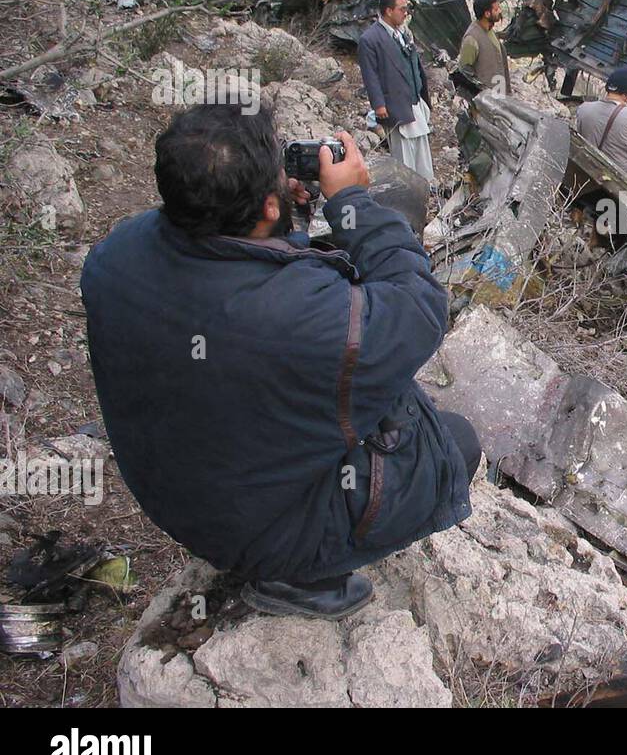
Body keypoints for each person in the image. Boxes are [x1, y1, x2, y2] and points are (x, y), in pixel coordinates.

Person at [80, 104, 479, 619]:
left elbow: (226, 272)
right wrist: (351, 203)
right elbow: (421, 310)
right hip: (263, 535)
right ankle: (301, 579)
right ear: (267, 205)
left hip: (176, 495)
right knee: (454, 444)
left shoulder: (113, 255)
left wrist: (280, 221)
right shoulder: (305, 320)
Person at [358, 0, 434, 182]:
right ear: (389, 11)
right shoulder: (370, 39)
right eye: (402, 9)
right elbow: (370, 75)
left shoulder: (403, 34)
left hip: (414, 102)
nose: (405, 13)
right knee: (404, 159)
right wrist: (379, 104)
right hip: (395, 105)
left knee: (421, 154)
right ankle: (405, 193)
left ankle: (423, 188)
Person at [457, 0, 512, 96]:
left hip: (499, 97)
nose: (500, 11)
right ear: (487, 14)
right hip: (485, 102)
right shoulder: (472, 39)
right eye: (496, 9)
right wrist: (482, 91)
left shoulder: (489, 30)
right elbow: (465, 71)